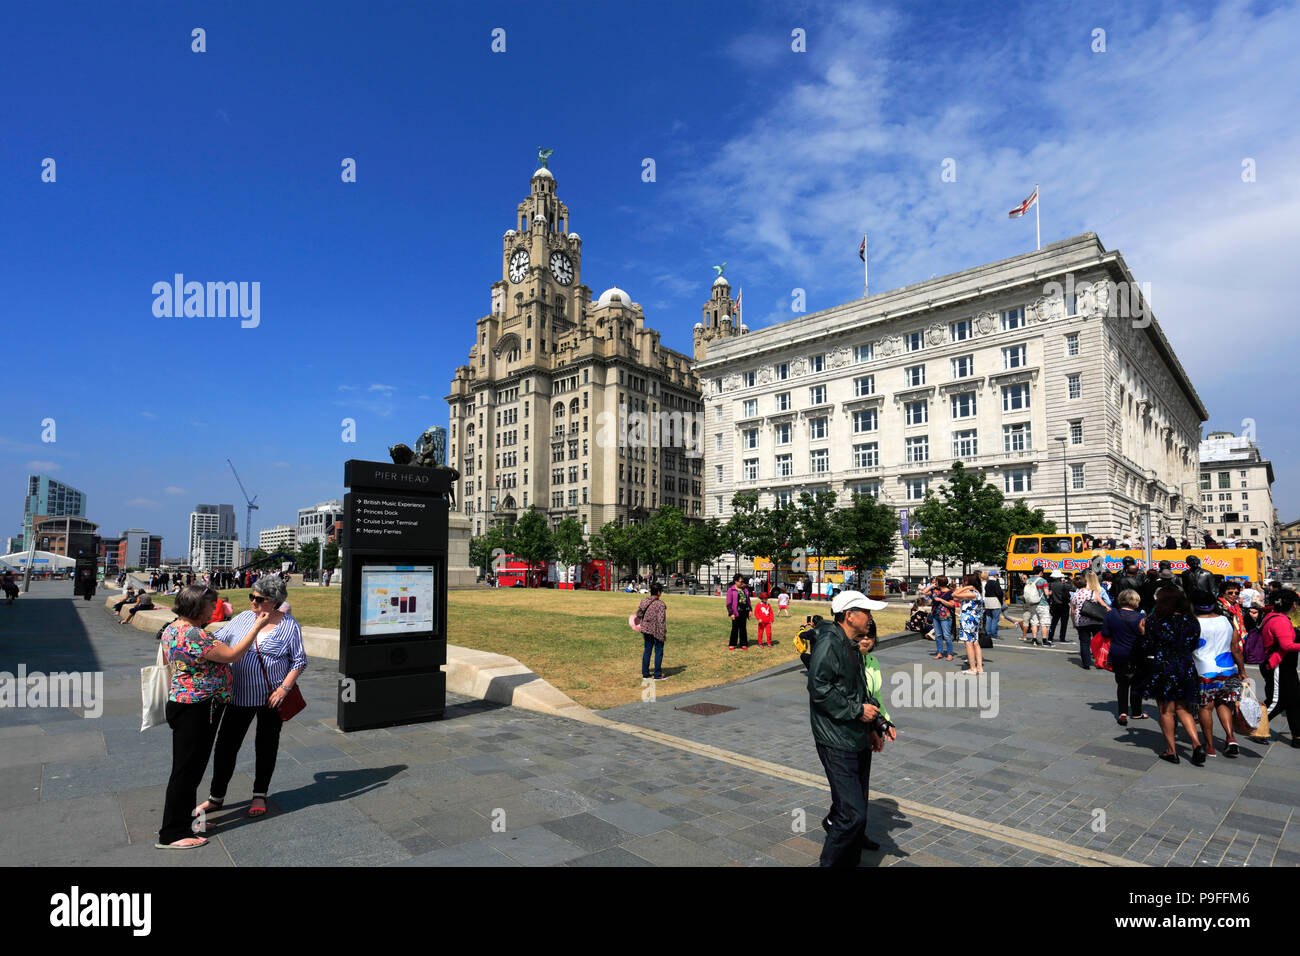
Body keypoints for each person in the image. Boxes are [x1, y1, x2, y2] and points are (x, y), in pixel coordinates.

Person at [155, 585, 266, 849]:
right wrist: (255, 628)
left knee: (189, 768)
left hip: (185, 704)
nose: (213, 608)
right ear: (197, 607)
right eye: (209, 604)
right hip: (198, 708)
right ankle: (172, 833)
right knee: (186, 770)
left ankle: (184, 822)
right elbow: (232, 655)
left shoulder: (173, 628)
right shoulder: (195, 635)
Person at [196, 577, 307, 824]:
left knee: (266, 745)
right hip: (238, 696)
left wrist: (284, 689)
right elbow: (218, 639)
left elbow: (298, 661)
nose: (253, 602)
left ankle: (260, 795)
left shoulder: (288, 625)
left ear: (275, 602)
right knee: (226, 746)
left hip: (271, 698)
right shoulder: (244, 618)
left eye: (259, 599)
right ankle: (216, 796)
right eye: (252, 597)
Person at [807, 590, 892, 866]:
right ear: (849, 615)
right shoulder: (830, 643)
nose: (870, 618)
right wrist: (858, 711)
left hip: (856, 735)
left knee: (858, 812)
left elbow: (860, 690)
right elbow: (819, 689)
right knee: (851, 814)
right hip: (836, 738)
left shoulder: (851, 644)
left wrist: (873, 727)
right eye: (865, 612)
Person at [1141, 586, 1206, 765]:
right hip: (1186, 665)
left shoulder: (1155, 620)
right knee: (1182, 708)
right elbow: (1194, 643)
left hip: (1164, 666)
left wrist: (1143, 633)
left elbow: (1148, 645)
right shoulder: (1191, 620)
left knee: (1165, 710)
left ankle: (1171, 750)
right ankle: (1196, 743)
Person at [1193, 597, 1245, 758]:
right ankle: (1230, 737)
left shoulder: (1193, 623)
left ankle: (1209, 746)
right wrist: (1242, 670)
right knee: (1224, 703)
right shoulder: (1226, 620)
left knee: (1206, 707)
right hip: (1228, 670)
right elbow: (1235, 648)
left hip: (1204, 671)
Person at [1101, 589, 1146, 724]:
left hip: (1117, 652)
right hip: (1137, 653)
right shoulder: (1141, 617)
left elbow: (1105, 634)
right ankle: (1137, 712)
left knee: (1122, 684)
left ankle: (1122, 712)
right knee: (1137, 684)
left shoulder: (1111, 615)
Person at [1263, 588, 1300, 746]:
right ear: (1292, 604)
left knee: (1295, 701)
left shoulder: (1273, 616)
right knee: (1278, 702)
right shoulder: (1281, 620)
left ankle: (1297, 736)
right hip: (1280, 665)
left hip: (1285, 665)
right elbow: (1287, 645)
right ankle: (1254, 727)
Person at [1070, 570, 1110, 670]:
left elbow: (1072, 611)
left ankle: (1086, 663)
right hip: (1095, 620)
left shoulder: (1074, 596)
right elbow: (1103, 604)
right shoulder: (1093, 593)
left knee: (1084, 642)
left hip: (1081, 621)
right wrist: (1110, 610)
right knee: (1098, 642)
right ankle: (1099, 662)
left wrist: (1074, 623)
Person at [634, 582, 668, 681]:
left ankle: (645, 673)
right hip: (656, 630)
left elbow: (639, 614)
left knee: (647, 650)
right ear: (658, 592)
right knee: (658, 651)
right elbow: (661, 620)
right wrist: (662, 635)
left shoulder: (644, 601)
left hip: (646, 629)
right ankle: (657, 674)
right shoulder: (660, 604)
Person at [952, 573, 985, 675]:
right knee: (975, 642)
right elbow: (957, 598)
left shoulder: (972, 593)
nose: (963, 582)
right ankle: (979, 667)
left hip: (968, 621)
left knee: (968, 643)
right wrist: (966, 589)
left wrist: (964, 588)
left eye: (965, 581)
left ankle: (972, 668)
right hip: (975, 621)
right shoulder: (976, 593)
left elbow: (954, 594)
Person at [925, 576, 955, 662]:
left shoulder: (949, 593)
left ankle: (949, 654)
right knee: (938, 635)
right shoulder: (935, 591)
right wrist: (931, 586)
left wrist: (941, 600)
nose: (935, 582)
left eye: (936, 581)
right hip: (936, 615)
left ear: (940, 582)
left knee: (946, 635)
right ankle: (939, 652)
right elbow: (924, 592)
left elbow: (952, 605)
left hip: (946, 616)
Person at [1022, 565, 1050, 645]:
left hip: (1032, 604)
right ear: (1041, 572)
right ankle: (1044, 640)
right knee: (1044, 623)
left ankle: (1034, 639)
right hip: (1042, 604)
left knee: (1034, 622)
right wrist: (1050, 592)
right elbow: (1046, 593)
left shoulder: (1028, 580)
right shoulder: (1043, 581)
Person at [1046, 569, 1074, 646]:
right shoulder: (1064, 584)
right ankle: (1062, 637)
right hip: (1064, 605)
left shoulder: (1050, 585)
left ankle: (1050, 637)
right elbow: (1073, 589)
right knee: (1064, 623)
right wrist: (1069, 581)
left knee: (1053, 622)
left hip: (1054, 605)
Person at [725, 573, 751, 650]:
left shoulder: (745, 590)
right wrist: (731, 613)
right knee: (735, 628)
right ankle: (732, 644)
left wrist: (750, 610)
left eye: (742, 581)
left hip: (744, 611)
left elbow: (748, 601)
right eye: (740, 581)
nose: (741, 583)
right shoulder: (731, 590)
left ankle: (743, 643)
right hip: (736, 612)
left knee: (743, 628)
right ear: (735, 581)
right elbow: (728, 603)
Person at [982, 571, 1003, 640]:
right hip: (995, 601)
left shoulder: (987, 583)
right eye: (997, 575)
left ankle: (988, 633)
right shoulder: (995, 582)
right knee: (995, 619)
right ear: (994, 575)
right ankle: (994, 634)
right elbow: (999, 593)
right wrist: (1001, 601)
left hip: (987, 601)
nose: (998, 576)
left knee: (989, 618)